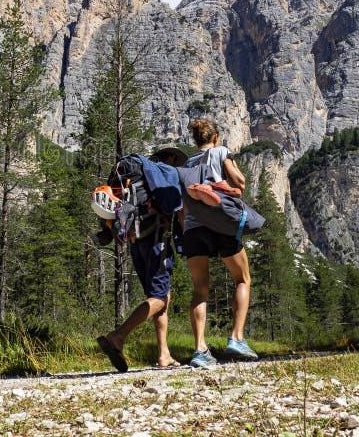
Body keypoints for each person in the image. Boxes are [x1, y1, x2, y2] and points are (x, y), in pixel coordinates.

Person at [96, 146, 186, 372]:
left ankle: (164, 355)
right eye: (178, 161)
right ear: (172, 158)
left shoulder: (142, 174)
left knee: (162, 296)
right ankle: (118, 336)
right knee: (159, 298)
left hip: (136, 240)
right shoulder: (166, 173)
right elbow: (178, 208)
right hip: (156, 239)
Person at [181, 119, 258, 367]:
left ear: (196, 140)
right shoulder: (221, 151)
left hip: (193, 229)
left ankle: (200, 350)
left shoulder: (186, 164)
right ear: (215, 138)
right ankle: (236, 338)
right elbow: (240, 183)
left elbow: (183, 208)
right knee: (242, 279)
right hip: (220, 224)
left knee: (200, 289)